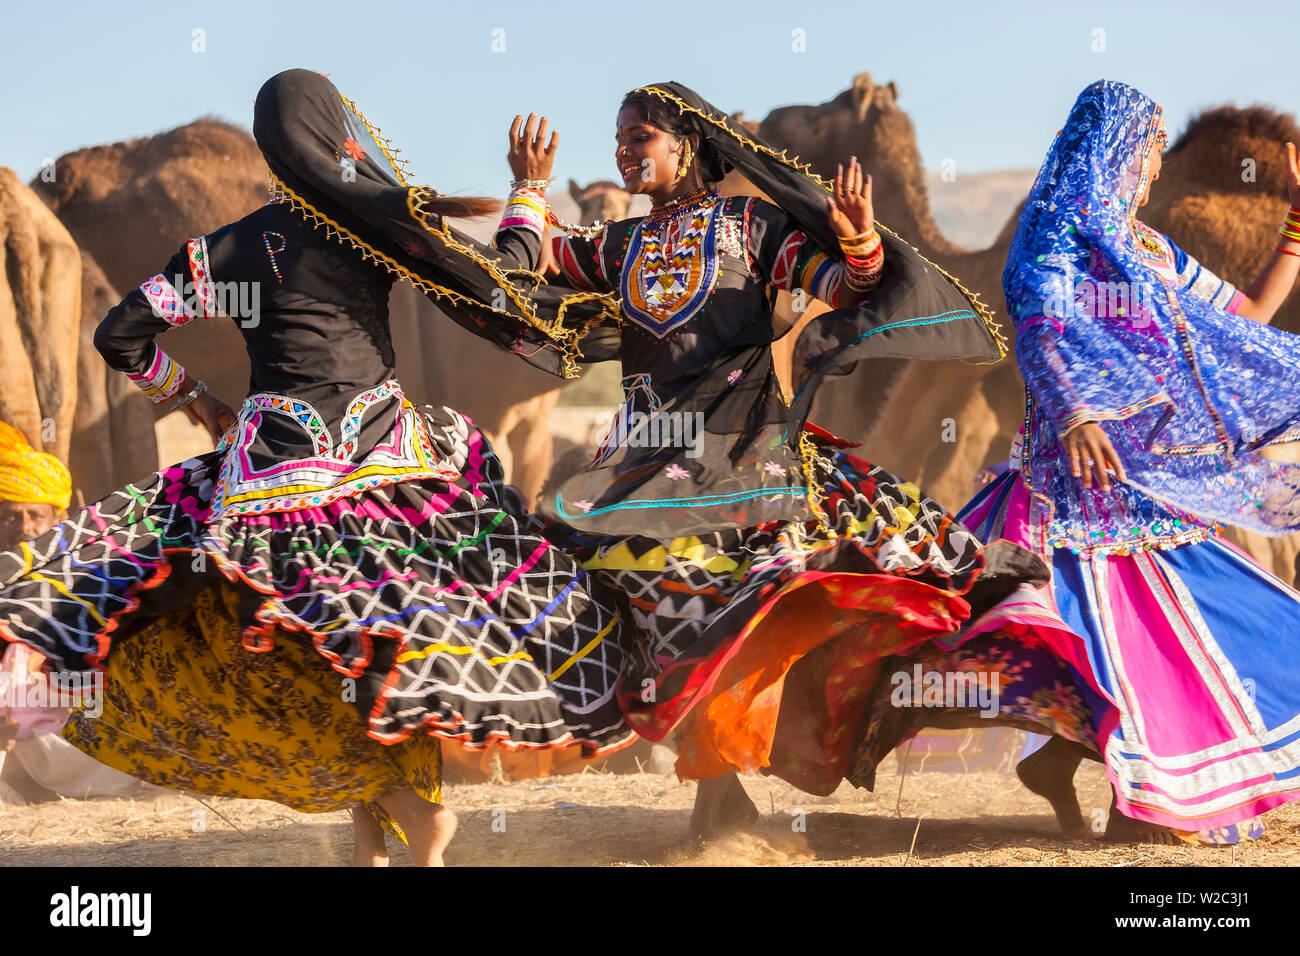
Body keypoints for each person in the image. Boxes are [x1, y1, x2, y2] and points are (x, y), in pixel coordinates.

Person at [0, 69, 638, 865]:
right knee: (393, 637)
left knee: (307, 648)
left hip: (266, 486)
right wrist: (530, 189)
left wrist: (198, 402)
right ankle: (408, 816)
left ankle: (381, 830)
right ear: (339, 137)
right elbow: (502, 284)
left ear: (271, 149)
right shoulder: (380, 227)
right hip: (387, 470)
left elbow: (119, 336)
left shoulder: (224, 249)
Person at [489, 83, 1091, 838]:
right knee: (639, 604)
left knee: (756, 597)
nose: (623, 151)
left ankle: (724, 789)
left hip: (743, 454)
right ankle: (715, 786)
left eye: (638, 137)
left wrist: (861, 237)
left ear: (685, 146)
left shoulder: (751, 226)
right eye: (618, 139)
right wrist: (529, 186)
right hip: (641, 464)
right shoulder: (615, 246)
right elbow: (516, 272)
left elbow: (845, 286)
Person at [960, 79, 1300, 843]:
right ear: (1117, 149)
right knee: (1132, 639)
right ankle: (1133, 806)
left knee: (1193, 629)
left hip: (1149, 486)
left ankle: (1067, 765)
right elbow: (1039, 327)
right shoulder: (1054, 234)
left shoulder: (1148, 249)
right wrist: (1076, 414)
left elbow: (1246, 317)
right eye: (1149, 150)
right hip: (1074, 487)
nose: (1155, 168)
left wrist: (1297, 225)